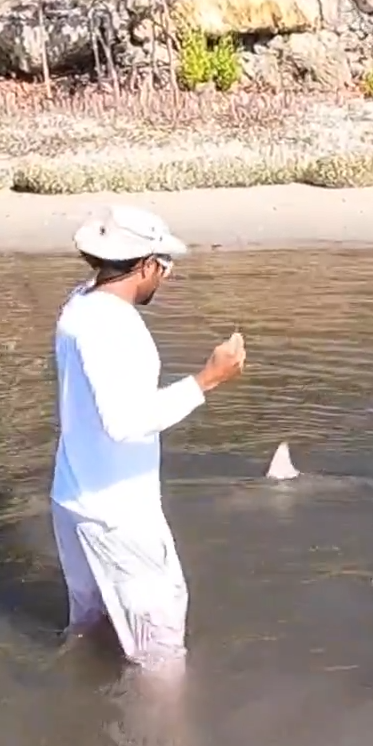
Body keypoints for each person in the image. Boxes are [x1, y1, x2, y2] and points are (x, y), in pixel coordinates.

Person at [51, 205, 247, 673]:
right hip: (118, 514)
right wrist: (208, 379)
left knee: (90, 626)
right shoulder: (117, 327)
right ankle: (165, 745)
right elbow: (125, 422)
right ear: (146, 264)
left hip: (72, 500)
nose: (167, 277)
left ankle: (71, 701)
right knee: (160, 652)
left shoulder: (78, 304)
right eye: (165, 265)